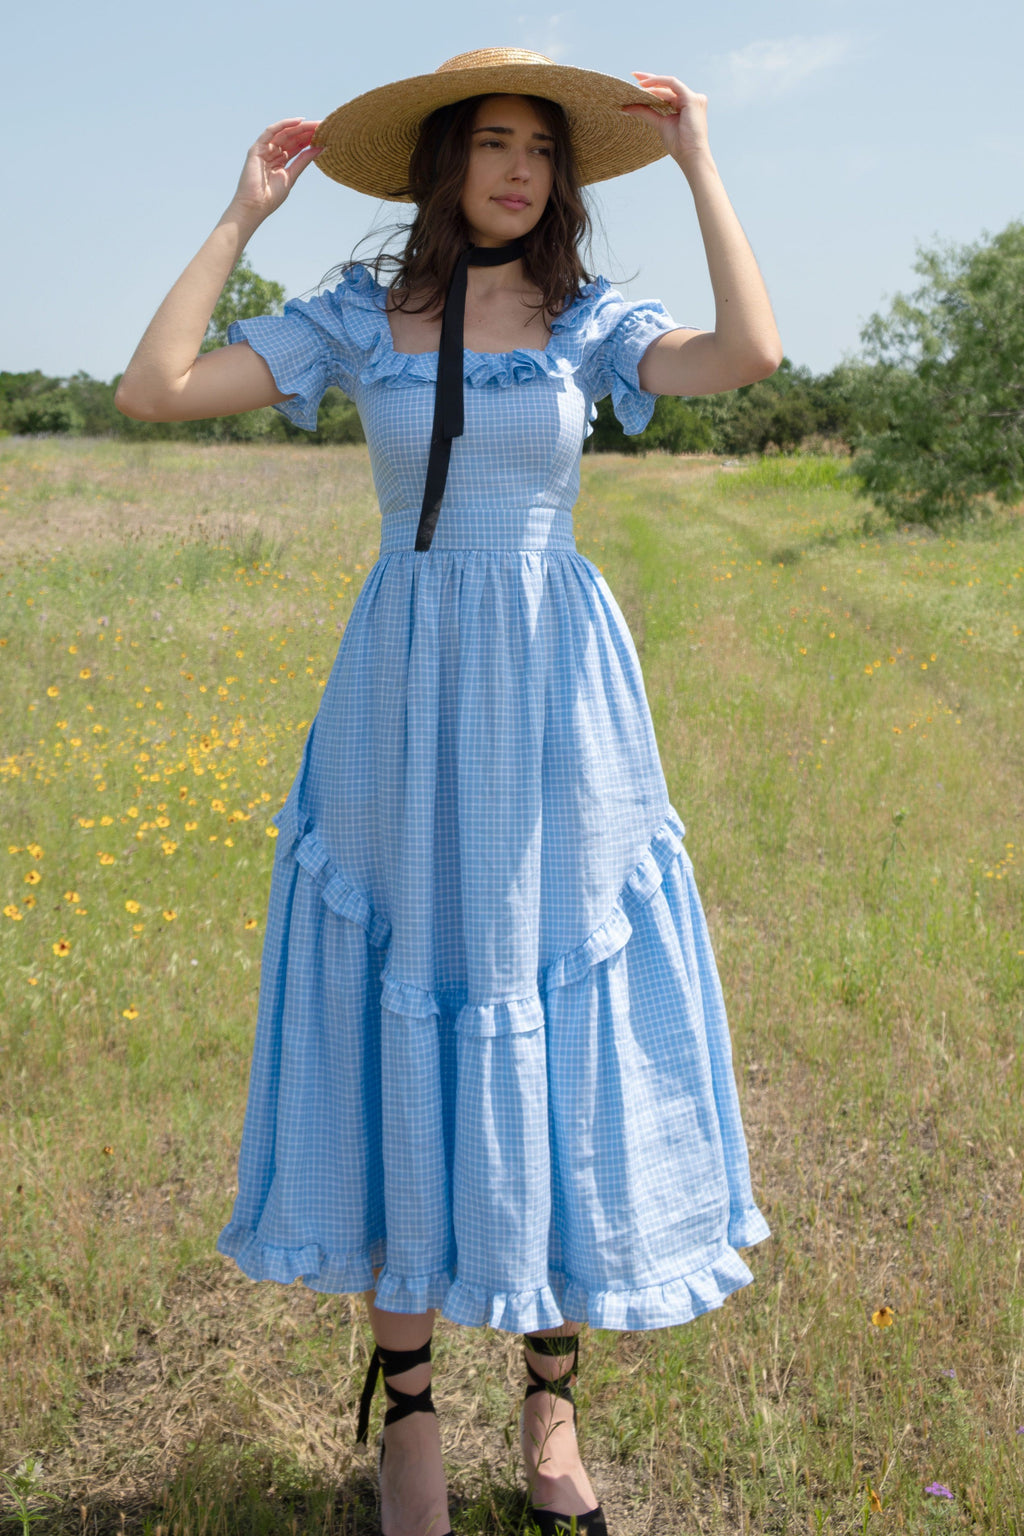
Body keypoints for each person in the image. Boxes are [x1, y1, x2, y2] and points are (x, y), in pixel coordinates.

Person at [116, 47, 779, 1536]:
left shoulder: (592, 318)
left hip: (557, 699)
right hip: (401, 705)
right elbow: (152, 388)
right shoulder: (364, 317)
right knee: (403, 1010)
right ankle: (408, 1417)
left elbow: (750, 357)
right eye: (491, 143)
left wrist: (701, 168)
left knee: (560, 1002)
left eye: (542, 151)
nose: (518, 171)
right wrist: (240, 216)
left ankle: (551, 1408)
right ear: (440, 164)